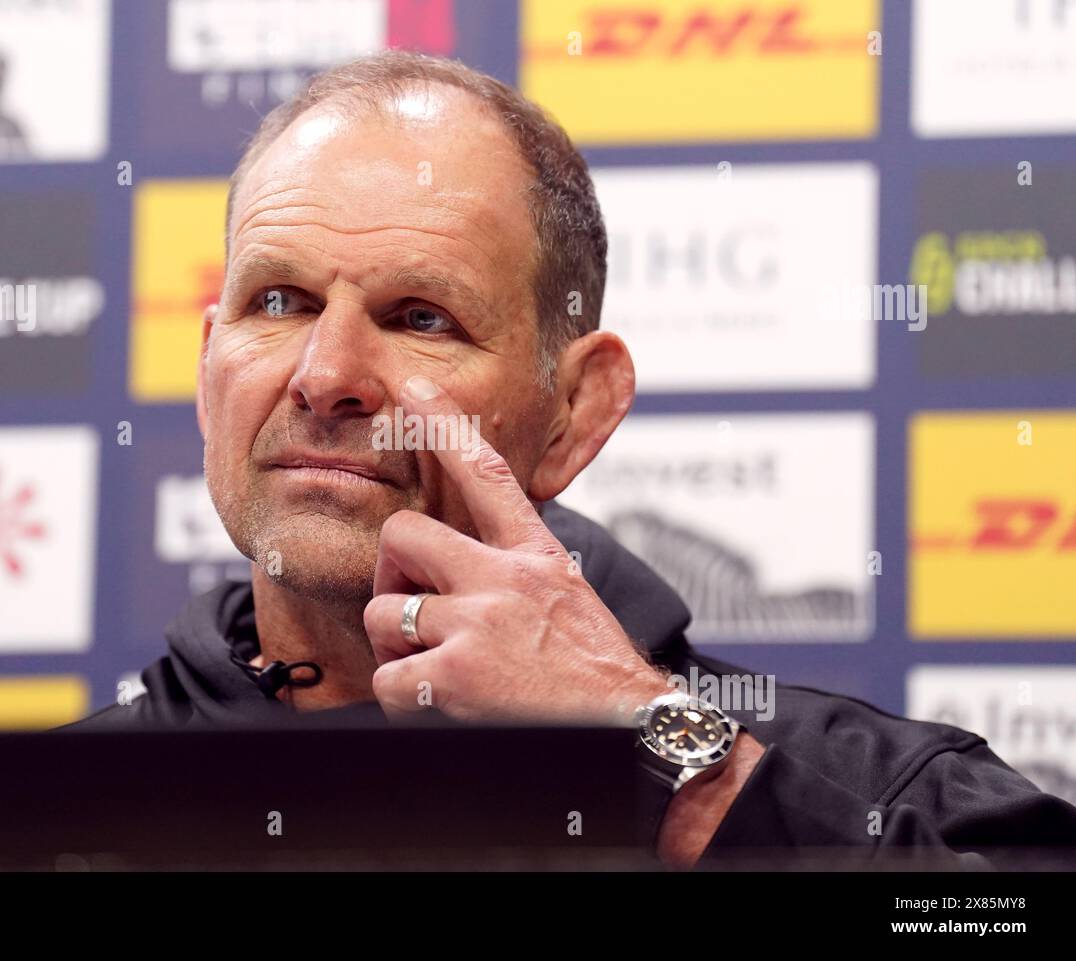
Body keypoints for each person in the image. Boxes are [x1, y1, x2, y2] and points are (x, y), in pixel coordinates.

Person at [65, 51, 1076, 870]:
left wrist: (670, 757)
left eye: (421, 316)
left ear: (573, 414)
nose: (326, 373)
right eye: (276, 302)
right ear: (207, 370)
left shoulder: (879, 797)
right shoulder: (33, 822)